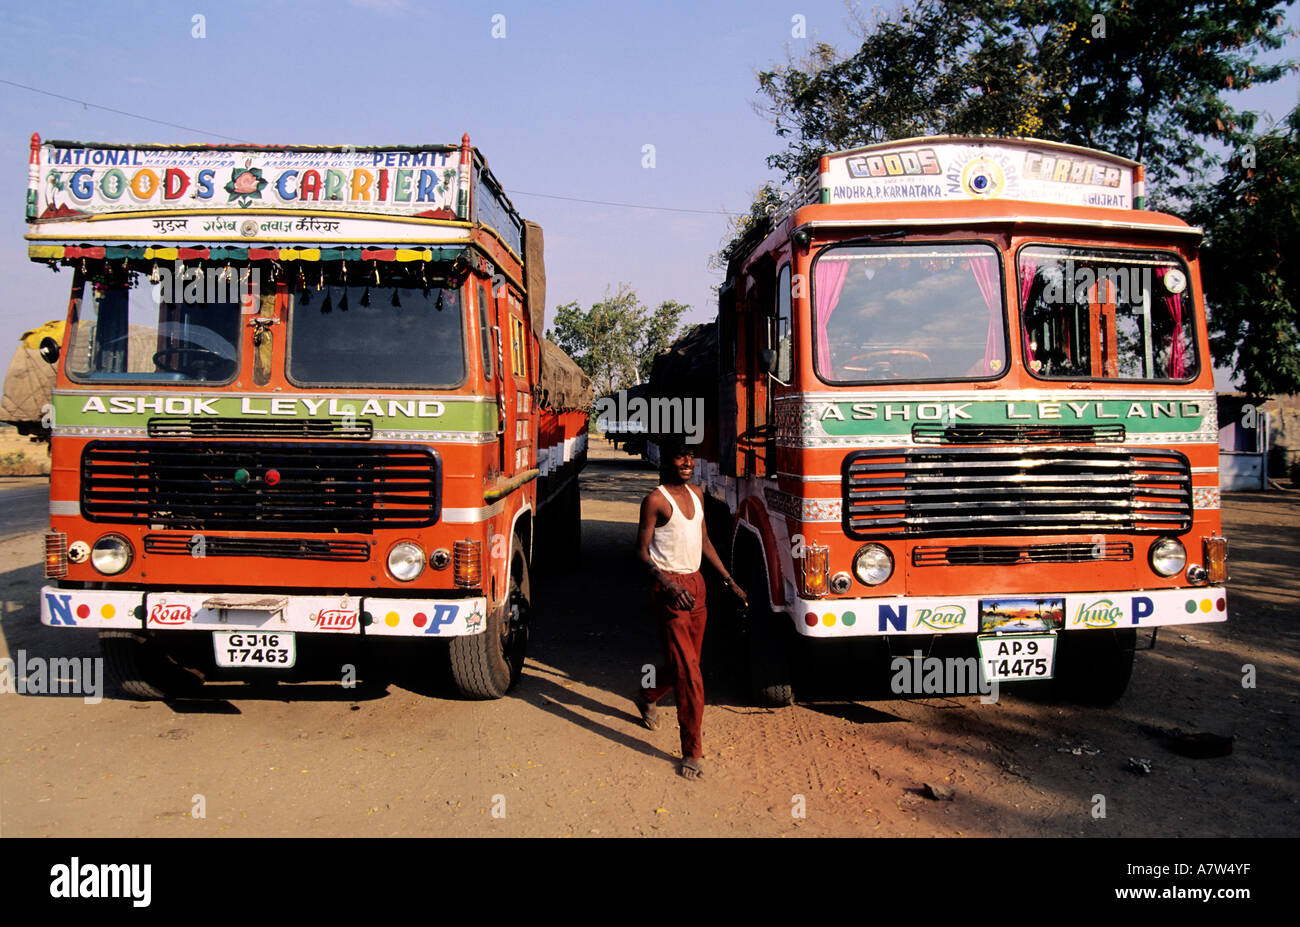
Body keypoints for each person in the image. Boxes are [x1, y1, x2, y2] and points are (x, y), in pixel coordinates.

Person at [633, 436, 746, 780]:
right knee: (690, 675)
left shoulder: (697, 495)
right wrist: (666, 585)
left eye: (690, 457)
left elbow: (705, 541)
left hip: (697, 584)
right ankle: (692, 751)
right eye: (680, 458)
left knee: (686, 664)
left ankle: (648, 693)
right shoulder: (655, 500)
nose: (686, 463)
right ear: (666, 460)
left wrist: (728, 580)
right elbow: (640, 552)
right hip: (670, 589)